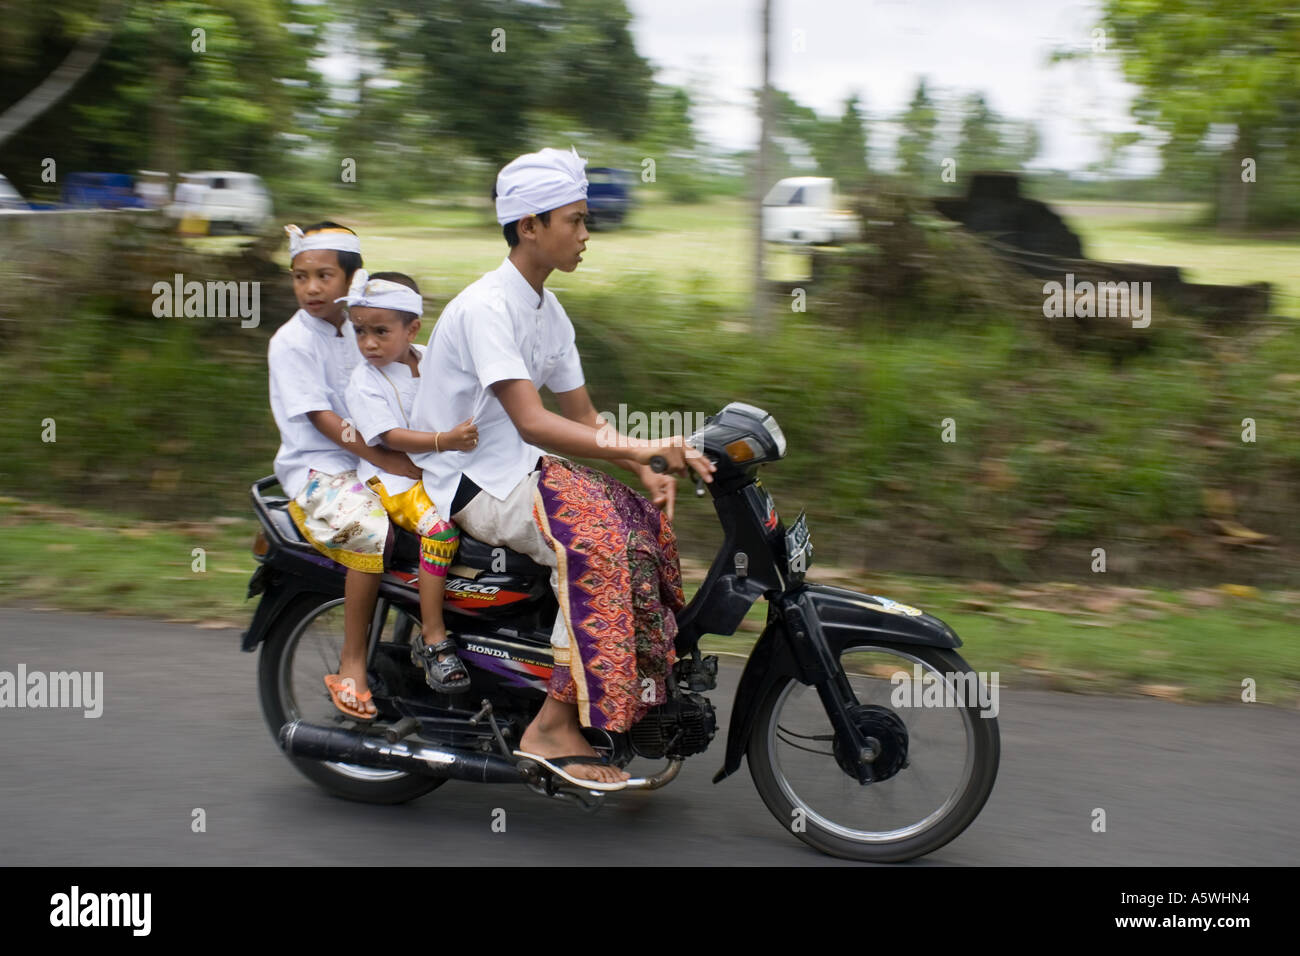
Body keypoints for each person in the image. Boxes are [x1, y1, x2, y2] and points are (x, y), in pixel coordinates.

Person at [409, 147, 716, 789]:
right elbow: (532, 419)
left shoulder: (549, 313)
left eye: (585, 222)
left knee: (641, 528)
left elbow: (582, 418)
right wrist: (638, 448)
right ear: (530, 226)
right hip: (474, 481)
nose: (585, 236)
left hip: (523, 467)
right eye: (574, 221)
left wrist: (644, 467)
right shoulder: (487, 307)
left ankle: (630, 702)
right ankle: (551, 722)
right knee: (598, 546)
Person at [268, 222, 420, 720]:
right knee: (366, 530)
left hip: (378, 462)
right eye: (300, 276)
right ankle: (352, 663)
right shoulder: (292, 343)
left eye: (324, 276)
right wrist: (394, 461)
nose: (311, 288)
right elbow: (326, 423)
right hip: (320, 472)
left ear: (353, 278)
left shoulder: (370, 325)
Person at [341, 269, 479, 691]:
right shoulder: (365, 381)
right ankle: (434, 636)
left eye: (380, 331)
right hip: (394, 481)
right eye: (360, 331)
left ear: (413, 328)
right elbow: (389, 436)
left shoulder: (429, 358)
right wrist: (446, 439)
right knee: (439, 533)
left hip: (440, 468)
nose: (368, 343)